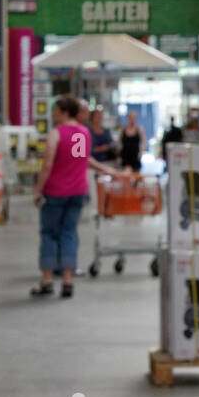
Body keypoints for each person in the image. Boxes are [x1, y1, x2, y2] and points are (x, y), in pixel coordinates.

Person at [31, 95, 119, 299]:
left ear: (64, 112)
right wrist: (104, 168)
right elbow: (83, 159)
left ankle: (47, 280)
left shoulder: (56, 134)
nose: (53, 114)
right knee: (69, 232)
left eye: (56, 111)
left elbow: (47, 165)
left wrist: (37, 190)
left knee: (49, 234)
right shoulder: (82, 133)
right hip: (78, 191)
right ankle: (68, 280)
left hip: (54, 191)